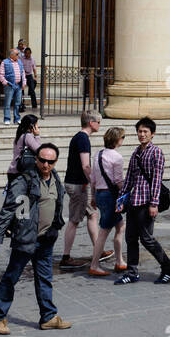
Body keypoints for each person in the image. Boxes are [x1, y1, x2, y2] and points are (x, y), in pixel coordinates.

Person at [0, 141, 70, 333]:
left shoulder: (55, 178)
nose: (46, 165)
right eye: (42, 160)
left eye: (50, 161)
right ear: (36, 159)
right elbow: (9, 209)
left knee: (45, 278)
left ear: (56, 162)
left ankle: (48, 317)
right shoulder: (24, 180)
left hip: (46, 239)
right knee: (11, 278)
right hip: (26, 239)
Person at [115, 117, 170, 285]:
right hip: (133, 202)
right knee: (130, 238)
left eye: (145, 132)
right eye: (139, 131)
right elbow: (129, 179)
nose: (142, 134)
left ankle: (168, 268)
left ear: (152, 134)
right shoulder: (136, 152)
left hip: (147, 201)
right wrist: (121, 199)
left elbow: (157, 179)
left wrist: (154, 203)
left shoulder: (156, 152)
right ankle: (132, 272)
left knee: (147, 239)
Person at [60, 110, 102, 267]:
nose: (100, 125)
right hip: (78, 185)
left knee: (92, 214)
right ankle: (66, 257)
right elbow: (86, 166)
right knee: (74, 221)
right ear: (91, 123)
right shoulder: (83, 139)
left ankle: (98, 249)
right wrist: (94, 183)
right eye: (99, 122)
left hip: (77, 183)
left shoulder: (80, 137)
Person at [88, 126, 127, 277]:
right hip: (111, 196)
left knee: (120, 226)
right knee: (104, 231)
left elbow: (93, 179)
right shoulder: (117, 157)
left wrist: (93, 197)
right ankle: (94, 264)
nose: (123, 140)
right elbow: (118, 181)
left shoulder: (98, 154)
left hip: (99, 193)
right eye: (123, 137)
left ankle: (120, 260)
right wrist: (127, 190)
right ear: (118, 139)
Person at [8, 111, 41, 177]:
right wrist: (37, 136)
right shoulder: (28, 136)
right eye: (36, 125)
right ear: (32, 126)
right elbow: (39, 150)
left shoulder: (20, 134)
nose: (38, 127)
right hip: (21, 172)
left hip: (14, 169)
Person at [0, 48, 25, 126]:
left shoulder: (19, 62)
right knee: (7, 103)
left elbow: (23, 73)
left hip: (18, 85)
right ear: (11, 55)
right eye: (17, 54)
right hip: (9, 85)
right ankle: (7, 118)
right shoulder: (5, 62)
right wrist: (6, 83)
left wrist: (24, 82)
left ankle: (17, 118)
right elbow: (0, 75)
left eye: (18, 54)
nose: (18, 56)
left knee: (17, 103)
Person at [20, 45, 38, 110]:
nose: (27, 54)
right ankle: (21, 104)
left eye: (29, 53)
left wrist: (35, 75)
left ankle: (34, 105)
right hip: (22, 75)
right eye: (26, 53)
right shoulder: (21, 59)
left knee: (32, 90)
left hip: (29, 75)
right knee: (21, 90)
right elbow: (20, 67)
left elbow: (34, 68)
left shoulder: (32, 59)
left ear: (30, 53)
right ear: (24, 53)